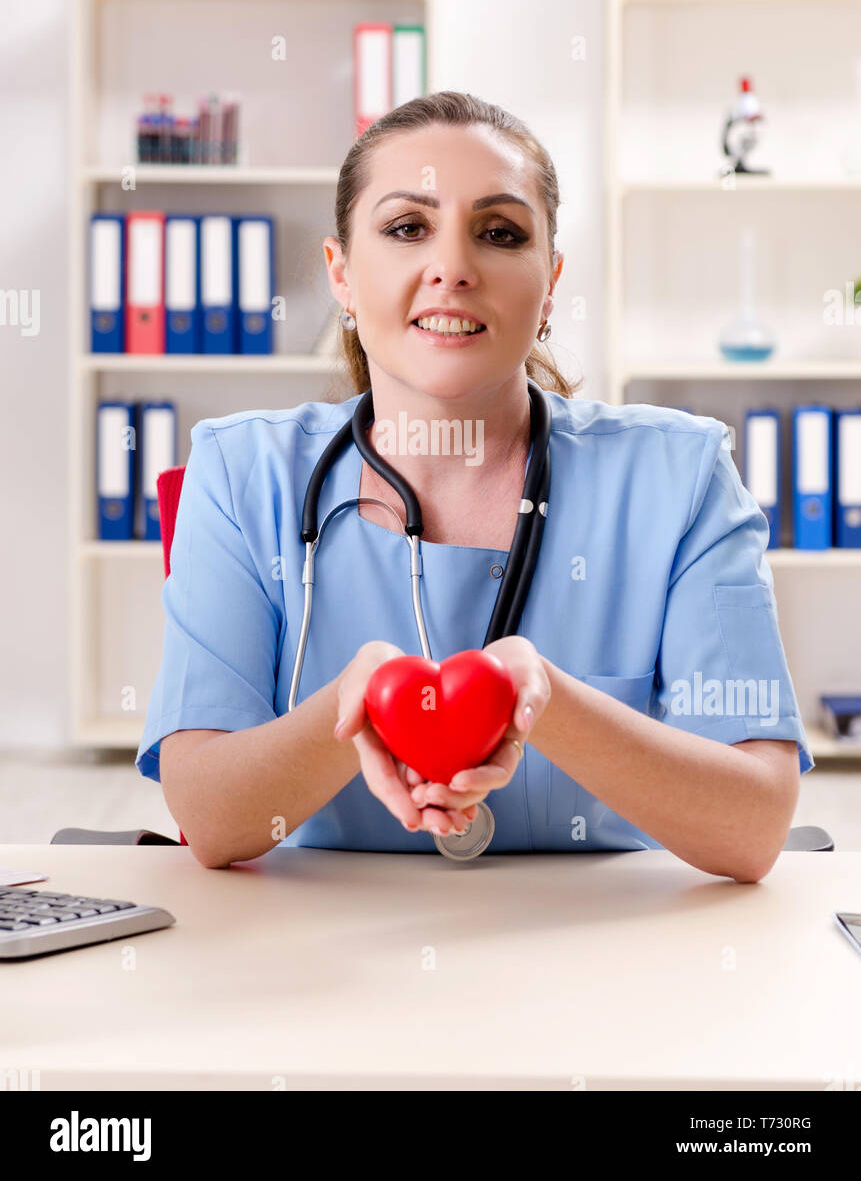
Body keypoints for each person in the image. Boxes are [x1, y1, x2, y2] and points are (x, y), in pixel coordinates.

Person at [136, 90, 813, 879]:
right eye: (405, 228)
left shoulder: (681, 477)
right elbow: (210, 822)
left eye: (498, 233)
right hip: (322, 962)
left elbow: (750, 829)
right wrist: (360, 700)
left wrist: (548, 702)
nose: (451, 268)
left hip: (608, 961)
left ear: (550, 281)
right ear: (342, 275)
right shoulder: (240, 473)